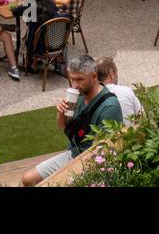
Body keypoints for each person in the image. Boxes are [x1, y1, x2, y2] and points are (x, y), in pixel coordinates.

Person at [22, 53, 123, 186]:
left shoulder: (109, 107)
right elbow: (63, 126)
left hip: (92, 163)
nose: (75, 85)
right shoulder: (79, 95)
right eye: (72, 79)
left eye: (80, 79)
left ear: (94, 77)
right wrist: (61, 112)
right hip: (74, 154)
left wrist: (64, 175)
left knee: (48, 184)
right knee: (27, 179)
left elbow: (102, 154)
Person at [95, 57, 143, 122]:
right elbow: (142, 116)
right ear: (111, 73)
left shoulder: (92, 97)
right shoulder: (126, 91)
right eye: (116, 72)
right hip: (130, 131)